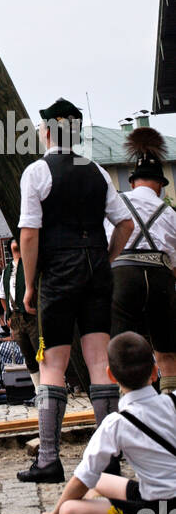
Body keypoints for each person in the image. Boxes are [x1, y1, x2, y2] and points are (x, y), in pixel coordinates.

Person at [17, 97, 133, 484]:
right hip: (96, 265)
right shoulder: (98, 170)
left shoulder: (36, 172)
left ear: (47, 131)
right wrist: (106, 258)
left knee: (52, 364)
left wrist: (30, 284)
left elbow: (29, 234)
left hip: (59, 270)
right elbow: (125, 225)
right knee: (100, 362)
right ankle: (109, 461)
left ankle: (49, 459)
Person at [38, 332, 176, 514]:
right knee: (99, 482)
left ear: (111, 375)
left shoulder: (116, 424)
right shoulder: (173, 401)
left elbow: (82, 478)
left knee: (69, 511)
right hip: (159, 498)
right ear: (155, 372)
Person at [110, 128, 176, 392]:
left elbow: (106, 247)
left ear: (133, 181)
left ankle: (131, 413)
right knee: (168, 354)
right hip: (160, 277)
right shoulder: (170, 213)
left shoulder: (116, 203)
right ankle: (171, 413)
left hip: (123, 276)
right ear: (160, 185)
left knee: (123, 354)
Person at [0, 237, 40, 390]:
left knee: (41, 353)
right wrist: (8, 315)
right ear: (10, 247)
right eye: (13, 241)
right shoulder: (6, 270)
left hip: (32, 315)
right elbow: (2, 296)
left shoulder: (31, 264)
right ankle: (38, 390)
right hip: (16, 317)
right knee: (28, 356)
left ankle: (51, 386)